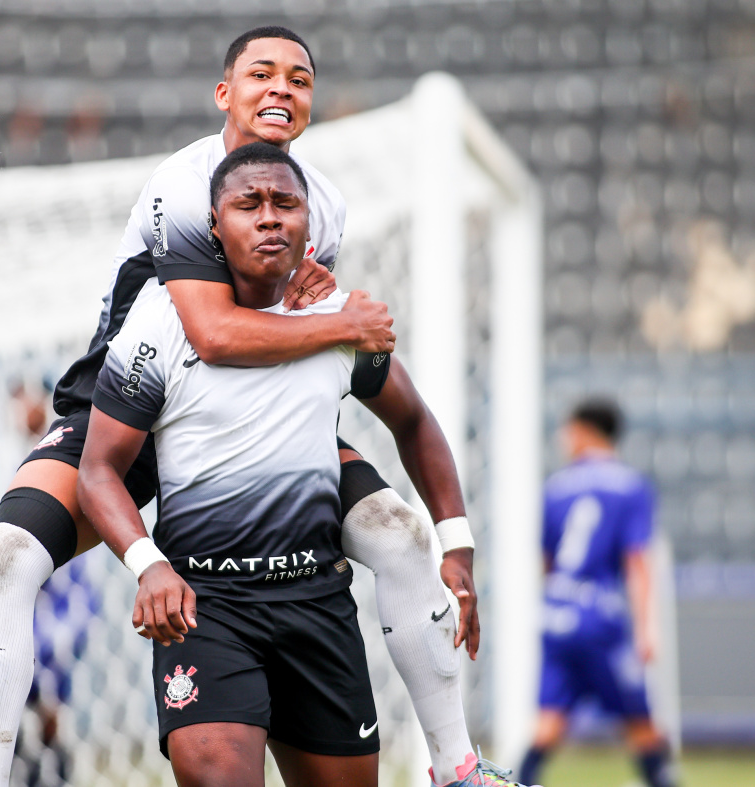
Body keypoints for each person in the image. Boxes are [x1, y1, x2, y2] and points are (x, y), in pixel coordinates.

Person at [0, 27, 484, 787]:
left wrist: (457, 540)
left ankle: (457, 767)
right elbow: (210, 334)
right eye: (261, 74)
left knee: (399, 533)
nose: (281, 89)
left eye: (298, 79)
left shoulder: (323, 204)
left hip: (244, 423)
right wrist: (346, 324)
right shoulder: (185, 185)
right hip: (131, 409)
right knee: (8, 556)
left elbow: (298, 329)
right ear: (223, 94)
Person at [78, 142, 530, 787]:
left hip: (316, 603)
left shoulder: (343, 327)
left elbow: (414, 422)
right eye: (248, 204)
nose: (269, 217)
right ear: (213, 226)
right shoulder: (158, 330)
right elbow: (98, 470)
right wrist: (148, 565)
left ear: (308, 223)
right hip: (209, 609)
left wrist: (456, 544)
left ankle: (458, 768)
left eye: (285, 203)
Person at [518, 399, 676, 787]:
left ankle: (520, 780)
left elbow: (546, 561)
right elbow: (637, 560)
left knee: (548, 721)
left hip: (556, 615)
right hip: (599, 617)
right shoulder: (631, 486)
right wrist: (647, 629)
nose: (563, 439)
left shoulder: (556, 487)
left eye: (568, 431)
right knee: (639, 721)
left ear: (586, 431)